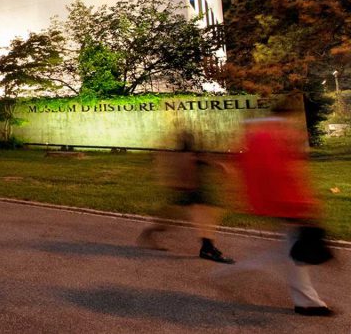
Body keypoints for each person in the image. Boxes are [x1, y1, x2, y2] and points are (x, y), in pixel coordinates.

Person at [215, 95, 333, 317]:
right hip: (288, 203)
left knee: (288, 252)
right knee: (293, 253)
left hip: (278, 203)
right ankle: (306, 302)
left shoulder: (261, 134)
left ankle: (306, 300)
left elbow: (251, 168)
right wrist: (301, 204)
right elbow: (283, 174)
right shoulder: (277, 135)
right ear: (289, 115)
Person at [137, 122, 234, 264]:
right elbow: (187, 168)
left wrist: (218, 166)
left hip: (193, 192)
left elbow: (202, 161)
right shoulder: (186, 155)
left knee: (192, 218)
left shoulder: (192, 154)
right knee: (201, 218)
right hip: (190, 192)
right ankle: (207, 248)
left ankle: (207, 247)